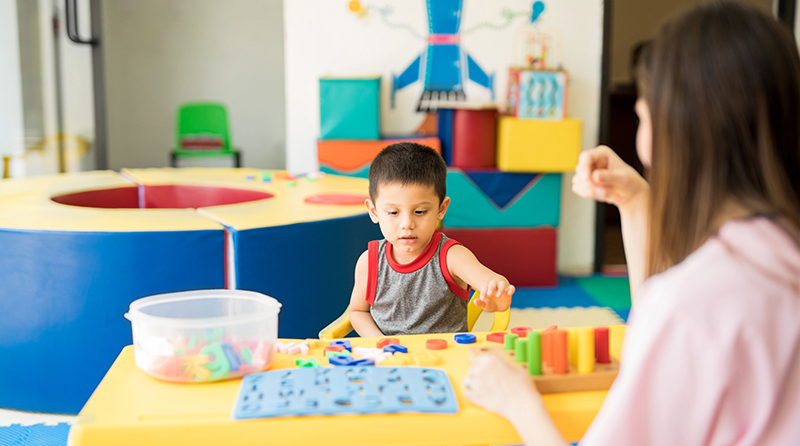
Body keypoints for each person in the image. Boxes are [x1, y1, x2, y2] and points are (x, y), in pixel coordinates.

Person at [463, 2, 800, 445]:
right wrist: (637, 201)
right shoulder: (776, 257)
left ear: (675, 130)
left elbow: (679, 315)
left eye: (642, 116)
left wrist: (517, 400)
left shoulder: (693, 304)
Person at [348, 142, 515, 337]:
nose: (407, 224)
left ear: (441, 209)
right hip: (389, 360)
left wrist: (498, 293)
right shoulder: (369, 262)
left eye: (420, 212)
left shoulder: (451, 257)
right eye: (393, 212)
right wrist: (379, 342)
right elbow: (358, 311)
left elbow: (488, 279)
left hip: (444, 360)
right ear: (374, 211)